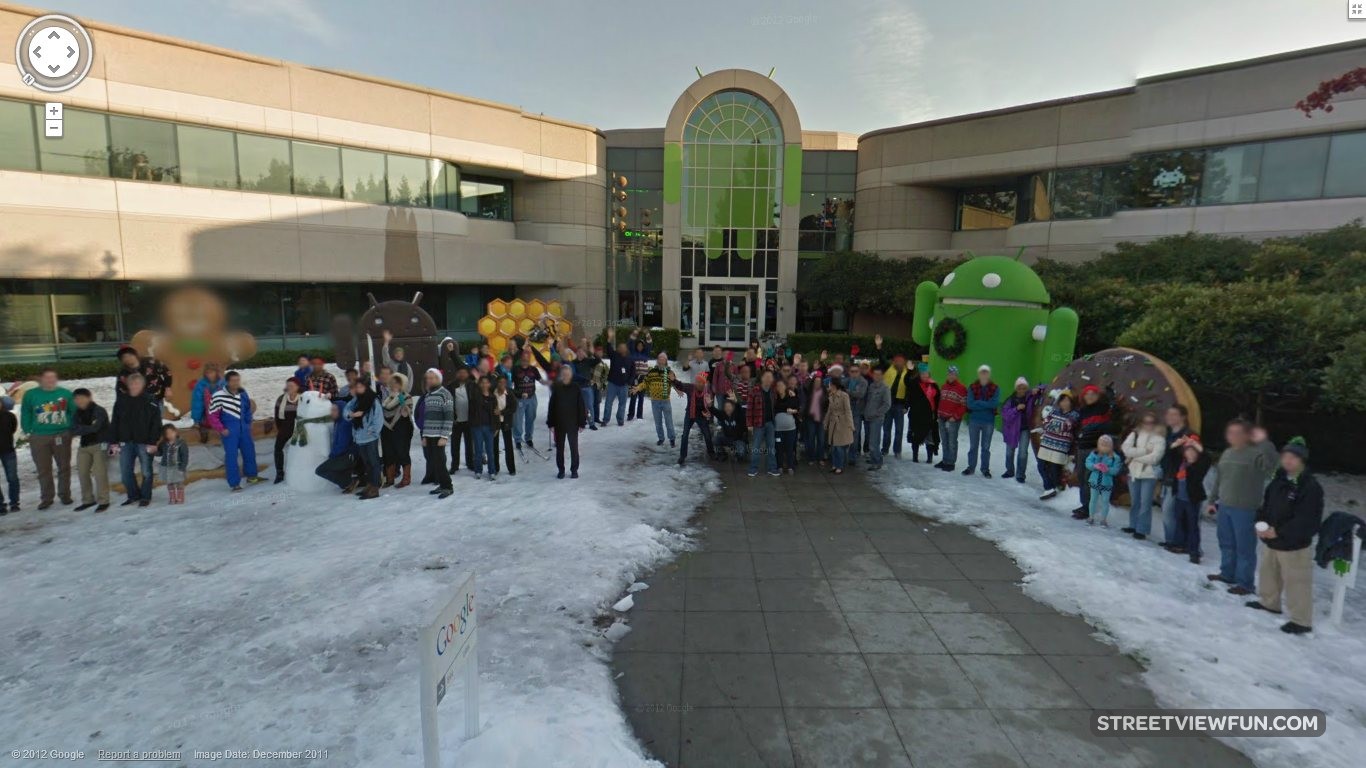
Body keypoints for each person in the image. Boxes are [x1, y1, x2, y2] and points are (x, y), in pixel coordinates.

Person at [1247, 437, 1324, 634]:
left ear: (1302, 461)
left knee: (1297, 581)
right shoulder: (1277, 481)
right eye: (1286, 456)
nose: (1288, 461)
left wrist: (1279, 532)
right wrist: (1260, 523)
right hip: (1271, 541)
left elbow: (1307, 520)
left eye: (1294, 457)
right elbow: (1265, 506)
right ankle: (1269, 603)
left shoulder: (1310, 486)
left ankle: (1301, 620)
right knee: (1268, 574)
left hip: (1294, 545)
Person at [1205, 419, 1278, 595]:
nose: (1233, 436)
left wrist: (1265, 442)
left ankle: (1245, 583)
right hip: (1225, 506)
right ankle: (1227, 574)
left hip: (1246, 509)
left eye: (1238, 433)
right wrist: (1211, 500)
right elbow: (1219, 479)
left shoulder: (1257, 454)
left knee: (1244, 547)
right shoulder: (1227, 454)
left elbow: (1273, 465)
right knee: (1226, 542)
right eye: (1230, 432)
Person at [22, 367, 77, 510]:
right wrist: (28, 430)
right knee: (43, 469)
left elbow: (74, 412)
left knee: (64, 467)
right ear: (40, 379)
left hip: (62, 435)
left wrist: (70, 427)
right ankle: (47, 498)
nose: (51, 380)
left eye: (53, 377)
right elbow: (26, 413)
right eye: (47, 377)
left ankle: (65, 494)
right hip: (39, 436)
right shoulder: (30, 394)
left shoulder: (65, 394)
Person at [110, 373, 162, 507]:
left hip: (144, 442)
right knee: (126, 472)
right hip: (125, 442)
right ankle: (133, 495)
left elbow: (156, 423)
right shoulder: (121, 401)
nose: (134, 386)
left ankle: (145, 496)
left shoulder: (150, 400)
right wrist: (114, 441)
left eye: (137, 383)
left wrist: (152, 441)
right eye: (132, 383)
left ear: (143, 385)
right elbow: (115, 422)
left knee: (146, 471)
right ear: (128, 385)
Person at [208, 371, 262, 492]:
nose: (236, 383)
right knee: (231, 456)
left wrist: (248, 423)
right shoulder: (218, 395)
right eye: (233, 380)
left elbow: (247, 409)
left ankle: (252, 476)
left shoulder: (243, 393)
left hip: (244, 428)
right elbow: (212, 415)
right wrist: (221, 429)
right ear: (227, 381)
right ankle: (234, 483)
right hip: (229, 430)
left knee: (249, 452)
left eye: (238, 380)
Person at [1071, 384, 1117, 520]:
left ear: (1097, 396)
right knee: (1081, 476)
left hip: (1094, 449)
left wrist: (1111, 399)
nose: (1090, 396)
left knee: (1089, 477)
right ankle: (1084, 504)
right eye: (1087, 394)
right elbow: (1077, 427)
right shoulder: (1082, 411)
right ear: (1084, 396)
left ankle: (1087, 508)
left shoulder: (1103, 408)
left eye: (1093, 394)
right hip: (1082, 447)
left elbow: (1113, 417)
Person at [1159, 405, 1199, 552]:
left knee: (1173, 512)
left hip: (1180, 479)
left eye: (1174, 414)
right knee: (1168, 510)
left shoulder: (1188, 435)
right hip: (1168, 476)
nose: (1170, 417)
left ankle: (1180, 543)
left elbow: (1191, 458)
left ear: (1183, 417)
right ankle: (1171, 540)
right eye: (1168, 414)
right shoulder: (1169, 433)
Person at [1121, 412, 1166, 540]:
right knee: (1135, 501)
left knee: (1145, 502)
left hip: (1149, 474)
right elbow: (1125, 449)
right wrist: (1144, 452)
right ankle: (1133, 525)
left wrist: (1134, 457)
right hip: (1133, 472)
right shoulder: (1135, 434)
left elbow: (1155, 458)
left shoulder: (1159, 438)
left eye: (1151, 422)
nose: (1148, 425)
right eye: (1146, 422)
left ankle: (1142, 529)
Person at [1170, 438, 1211, 564]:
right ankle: (1180, 544)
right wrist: (1176, 444)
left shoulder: (1199, 465)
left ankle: (1194, 552)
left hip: (1192, 499)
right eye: (1187, 451)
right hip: (1180, 498)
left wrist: (1195, 444)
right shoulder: (1181, 463)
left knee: (1193, 525)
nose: (1190, 453)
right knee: (1180, 522)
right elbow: (1170, 454)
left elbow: (1207, 458)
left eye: (1193, 451)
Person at [69, 388, 110, 512]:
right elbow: (73, 430)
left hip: (100, 444)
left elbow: (96, 428)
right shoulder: (76, 413)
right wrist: (86, 428)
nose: (79, 401)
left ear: (89, 397)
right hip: (84, 446)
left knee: (99, 473)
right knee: (82, 473)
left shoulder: (99, 411)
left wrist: (82, 428)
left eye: (82, 397)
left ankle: (104, 500)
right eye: (76, 399)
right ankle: (88, 500)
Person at [1035, 392, 1078, 501]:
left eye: (1067, 400)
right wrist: (1055, 425)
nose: (1064, 403)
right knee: (1041, 465)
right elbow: (1045, 422)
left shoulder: (1074, 414)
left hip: (1060, 446)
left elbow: (1066, 426)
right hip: (1047, 443)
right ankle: (1049, 487)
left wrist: (1053, 425)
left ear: (1071, 403)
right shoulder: (1054, 411)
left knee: (1055, 468)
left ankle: (1054, 488)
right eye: (1063, 400)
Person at [419, 369, 455, 498]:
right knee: (433, 461)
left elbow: (449, 416)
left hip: (439, 435)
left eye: (432, 378)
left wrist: (445, 436)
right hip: (429, 434)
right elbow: (427, 418)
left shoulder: (445, 394)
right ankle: (442, 484)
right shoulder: (428, 395)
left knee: (440, 461)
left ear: (438, 379)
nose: (429, 380)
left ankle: (448, 486)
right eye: (427, 378)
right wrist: (424, 436)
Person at [547, 364, 586, 479]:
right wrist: (551, 423)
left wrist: (581, 422)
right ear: (561, 375)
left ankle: (574, 470)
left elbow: (581, 406)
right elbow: (551, 406)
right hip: (559, 423)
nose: (566, 376)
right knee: (560, 449)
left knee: (574, 448)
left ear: (571, 375)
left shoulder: (576, 387)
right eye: (563, 374)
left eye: (568, 373)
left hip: (573, 423)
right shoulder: (557, 387)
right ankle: (561, 470)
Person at [347, 377, 383, 498]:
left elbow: (378, 419)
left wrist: (372, 431)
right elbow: (346, 410)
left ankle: (375, 487)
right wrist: (351, 414)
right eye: (357, 387)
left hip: (370, 437)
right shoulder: (356, 400)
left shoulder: (373, 401)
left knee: (373, 462)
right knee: (367, 462)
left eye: (361, 387)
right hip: (360, 437)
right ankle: (369, 485)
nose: (359, 389)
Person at [877, 338, 912, 459]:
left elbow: (909, 391)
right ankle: (885, 449)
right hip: (887, 403)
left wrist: (906, 406)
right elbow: (882, 359)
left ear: (904, 362)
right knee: (886, 429)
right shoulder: (888, 368)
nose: (898, 362)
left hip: (899, 405)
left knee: (899, 430)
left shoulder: (908, 373)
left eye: (901, 361)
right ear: (894, 362)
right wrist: (879, 347)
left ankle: (897, 451)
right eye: (896, 361)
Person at [963, 364, 1000, 478]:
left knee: (986, 447)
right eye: (982, 372)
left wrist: (978, 403)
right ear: (979, 374)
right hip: (974, 420)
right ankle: (971, 467)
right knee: (973, 446)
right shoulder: (972, 387)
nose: (984, 374)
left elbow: (994, 403)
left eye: (986, 372)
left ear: (989, 374)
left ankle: (985, 469)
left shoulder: (995, 388)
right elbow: (970, 404)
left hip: (988, 421)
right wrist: (986, 405)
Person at [633, 352, 676, 447]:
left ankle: (672, 439)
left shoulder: (669, 372)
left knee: (669, 421)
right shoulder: (652, 372)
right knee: (658, 422)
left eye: (663, 359)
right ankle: (661, 438)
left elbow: (675, 383)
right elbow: (645, 383)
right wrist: (638, 388)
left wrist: (679, 390)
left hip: (666, 401)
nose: (661, 360)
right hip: (655, 401)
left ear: (666, 361)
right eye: (659, 358)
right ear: (657, 360)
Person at [672, 371, 714, 466]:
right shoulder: (691, 387)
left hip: (701, 415)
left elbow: (710, 407)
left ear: (704, 383)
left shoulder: (707, 391)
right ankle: (682, 456)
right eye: (697, 381)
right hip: (690, 414)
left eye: (701, 382)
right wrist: (674, 380)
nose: (699, 384)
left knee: (707, 434)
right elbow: (680, 385)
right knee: (685, 434)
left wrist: (709, 405)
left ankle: (711, 452)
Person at [380, 372, 414, 488]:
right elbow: (385, 410)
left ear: (402, 384)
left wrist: (406, 410)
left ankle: (406, 478)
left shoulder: (406, 396)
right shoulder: (387, 398)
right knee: (388, 453)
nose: (394, 385)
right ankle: (390, 478)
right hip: (387, 428)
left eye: (397, 382)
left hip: (401, 427)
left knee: (402, 452)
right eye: (393, 382)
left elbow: (408, 411)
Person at [512, 345, 549, 449]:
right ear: (521, 359)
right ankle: (518, 439)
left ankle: (529, 438)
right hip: (519, 398)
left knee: (530, 419)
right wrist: (517, 393)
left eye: (527, 359)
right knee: (518, 420)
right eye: (523, 359)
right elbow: (510, 385)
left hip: (532, 398)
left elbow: (540, 380)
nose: (525, 361)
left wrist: (548, 382)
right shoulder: (515, 369)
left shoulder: (533, 369)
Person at [1000, 377, 1036, 482]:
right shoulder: (1010, 400)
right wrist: (1016, 409)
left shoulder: (1030, 397)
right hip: (1011, 429)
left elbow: (1043, 387)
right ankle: (1009, 470)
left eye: (1024, 388)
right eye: (1020, 387)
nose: (1022, 390)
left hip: (1025, 429)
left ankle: (1020, 474)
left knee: (1023, 452)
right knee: (1009, 452)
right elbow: (1005, 414)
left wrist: (1037, 389)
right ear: (1016, 388)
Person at [745, 370, 781, 477]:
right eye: (767, 376)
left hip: (770, 423)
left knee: (771, 447)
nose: (769, 379)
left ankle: (772, 468)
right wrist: (749, 424)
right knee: (756, 447)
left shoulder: (773, 391)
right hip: (758, 423)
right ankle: (753, 468)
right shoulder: (754, 391)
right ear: (762, 378)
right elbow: (749, 409)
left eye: (771, 377)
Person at [316, 403, 358, 491]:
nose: (332, 412)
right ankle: (348, 482)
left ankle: (349, 482)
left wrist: (332, 456)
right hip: (345, 455)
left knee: (320, 470)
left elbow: (342, 446)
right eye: (331, 410)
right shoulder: (339, 422)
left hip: (348, 456)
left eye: (335, 410)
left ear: (341, 411)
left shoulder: (345, 424)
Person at [1084, 435, 1123, 527]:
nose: (1104, 447)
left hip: (1107, 482)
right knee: (1093, 499)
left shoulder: (1115, 457)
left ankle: (1103, 520)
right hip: (1094, 480)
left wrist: (1108, 470)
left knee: (1105, 501)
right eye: (1102, 444)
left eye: (1107, 445)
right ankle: (1091, 517)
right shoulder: (1094, 453)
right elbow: (1087, 463)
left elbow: (1116, 470)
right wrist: (1094, 466)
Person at [935, 365, 967, 472]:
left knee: (952, 441)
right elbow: (940, 401)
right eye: (949, 374)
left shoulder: (961, 388)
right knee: (944, 441)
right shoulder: (944, 386)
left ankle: (951, 462)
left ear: (956, 375)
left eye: (953, 374)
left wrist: (955, 417)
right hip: (942, 418)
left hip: (953, 419)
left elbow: (963, 405)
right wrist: (938, 413)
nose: (951, 376)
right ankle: (945, 460)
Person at [469, 374, 501, 480]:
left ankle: (492, 471)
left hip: (489, 427)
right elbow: (472, 408)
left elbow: (496, 413)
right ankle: (478, 470)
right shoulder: (475, 396)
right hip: (477, 426)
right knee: (478, 450)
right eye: (482, 382)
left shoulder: (493, 397)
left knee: (490, 450)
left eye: (486, 382)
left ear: (489, 384)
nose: (484, 384)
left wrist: (497, 427)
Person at [862, 363, 891, 471]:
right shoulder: (871, 386)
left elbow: (887, 404)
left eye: (879, 375)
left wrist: (878, 413)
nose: (876, 377)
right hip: (868, 417)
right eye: (875, 374)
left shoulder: (885, 388)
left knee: (874, 441)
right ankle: (874, 457)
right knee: (870, 440)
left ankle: (877, 461)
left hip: (877, 418)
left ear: (882, 376)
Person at [906, 362, 938, 463]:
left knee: (930, 436)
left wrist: (936, 413)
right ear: (919, 374)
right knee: (916, 436)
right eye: (922, 373)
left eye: (926, 373)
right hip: (917, 414)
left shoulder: (934, 385)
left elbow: (938, 399)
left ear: (929, 374)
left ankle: (930, 457)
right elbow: (907, 382)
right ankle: (915, 456)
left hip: (929, 414)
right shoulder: (914, 383)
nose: (925, 375)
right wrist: (910, 371)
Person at [272, 378, 301, 484]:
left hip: (299, 427)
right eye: (288, 385)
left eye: (292, 386)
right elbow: (277, 417)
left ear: (297, 387)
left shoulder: (302, 398)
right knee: (278, 448)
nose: (290, 388)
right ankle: (279, 473)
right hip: (285, 427)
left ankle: (298, 471)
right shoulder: (281, 398)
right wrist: (281, 429)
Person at [603, 331, 635, 426]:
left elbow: (633, 372)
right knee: (608, 403)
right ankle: (605, 420)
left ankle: (620, 420)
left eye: (622, 347)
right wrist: (609, 338)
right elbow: (608, 348)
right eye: (619, 347)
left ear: (626, 349)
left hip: (624, 385)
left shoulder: (630, 358)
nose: (620, 348)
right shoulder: (614, 355)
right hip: (613, 383)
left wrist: (629, 382)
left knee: (622, 404)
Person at [825, 377, 855, 475]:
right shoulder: (831, 396)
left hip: (842, 424)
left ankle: (840, 466)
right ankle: (834, 464)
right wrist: (825, 423)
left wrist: (850, 424)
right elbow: (829, 411)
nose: (828, 386)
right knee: (833, 446)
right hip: (833, 423)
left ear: (833, 385)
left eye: (830, 385)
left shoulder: (844, 395)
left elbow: (848, 410)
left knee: (839, 446)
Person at [449, 367, 476, 474]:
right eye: (460, 372)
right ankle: (454, 465)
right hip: (456, 420)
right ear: (457, 374)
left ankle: (470, 463)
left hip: (469, 420)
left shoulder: (472, 385)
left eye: (464, 372)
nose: (462, 374)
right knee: (455, 444)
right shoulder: (451, 386)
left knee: (469, 443)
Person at [190, 364, 225, 443]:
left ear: (216, 372)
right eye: (207, 373)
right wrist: (196, 421)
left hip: (221, 414)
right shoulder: (200, 385)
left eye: (212, 372)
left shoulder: (223, 384)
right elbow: (197, 403)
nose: (210, 375)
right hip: (206, 414)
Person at [491, 375, 518, 477]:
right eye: (499, 382)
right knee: (494, 445)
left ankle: (511, 468)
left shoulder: (509, 393)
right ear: (496, 383)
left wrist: (501, 412)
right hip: (495, 422)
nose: (501, 385)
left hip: (506, 421)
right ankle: (495, 468)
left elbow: (513, 407)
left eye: (503, 382)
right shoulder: (493, 393)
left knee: (508, 445)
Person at [157, 424, 189, 504]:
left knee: (179, 482)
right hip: (167, 466)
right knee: (169, 482)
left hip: (177, 466)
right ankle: (172, 498)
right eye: (167, 434)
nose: (170, 435)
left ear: (175, 431)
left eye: (172, 432)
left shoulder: (181, 443)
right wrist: (153, 452)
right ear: (165, 435)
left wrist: (182, 467)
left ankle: (180, 498)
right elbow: (160, 453)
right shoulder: (163, 444)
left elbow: (185, 456)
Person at [773, 378, 800, 473]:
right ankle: (779, 466)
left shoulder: (792, 397)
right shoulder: (774, 398)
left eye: (782, 385)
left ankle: (790, 467)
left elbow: (796, 408)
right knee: (779, 447)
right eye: (778, 386)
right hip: (778, 430)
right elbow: (775, 408)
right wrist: (785, 409)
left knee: (790, 447)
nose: (780, 387)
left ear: (785, 387)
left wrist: (792, 410)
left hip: (790, 429)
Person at [628, 335, 653, 422]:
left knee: (641, 398)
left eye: (641, 346)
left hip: (643, 378)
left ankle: (639, 415)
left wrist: (647, 334)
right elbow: (630, 343)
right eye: (638, 345)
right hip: (634, 377)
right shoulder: (633, 353)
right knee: (633, 397)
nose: (640, 347)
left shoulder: (646, 354)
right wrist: (635, 333)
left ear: (643, 347)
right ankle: (630, 415)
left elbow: (650, 343)